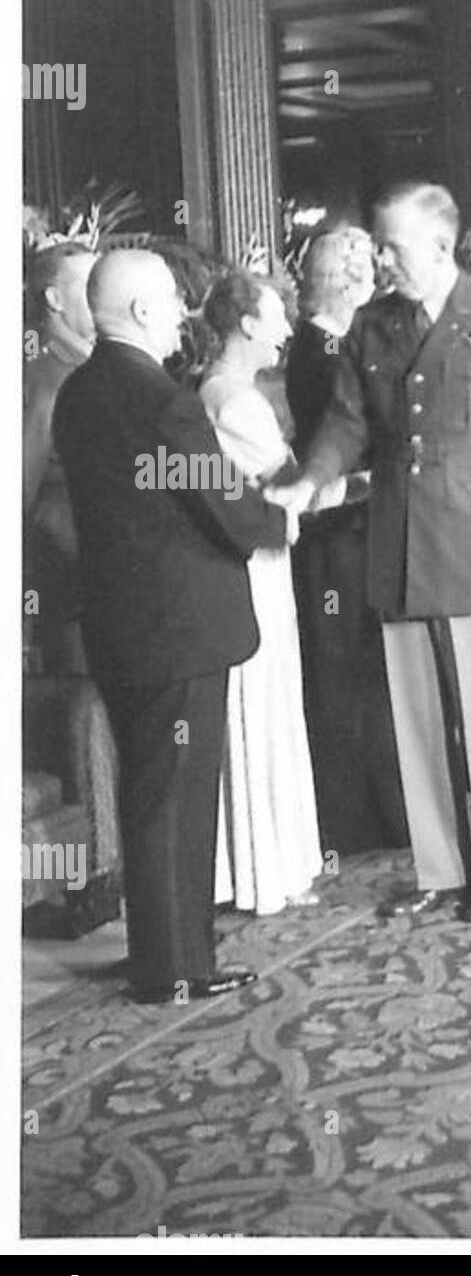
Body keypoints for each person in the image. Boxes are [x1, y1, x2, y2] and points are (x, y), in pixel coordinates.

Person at [274, 182, 471, 924]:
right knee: (417, 720)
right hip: (397, 546)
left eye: (392, 246)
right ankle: (439, 868)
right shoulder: (371, 327)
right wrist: (309, 481)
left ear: (440, 246)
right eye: (374, 245)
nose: (380, 260)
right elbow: (345, 421)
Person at [54, 249, 295, 1003]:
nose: (184, 319)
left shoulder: (78, 393)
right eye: (173, 305)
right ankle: (175, 967)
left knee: (148, 792)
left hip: (122, 626)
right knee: (177, 799)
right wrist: (279, 518)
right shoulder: (161, 399)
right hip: (181, 629)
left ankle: (169, 954)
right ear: (145, 312)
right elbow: (218, 501)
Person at [200, 270, 329, 915]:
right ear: (246, 323)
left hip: (249, 562)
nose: (284, 330)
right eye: (276, 317)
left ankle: (254, 869)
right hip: (257, 565)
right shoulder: (237, 402)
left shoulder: (220, 392)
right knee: (263, 707)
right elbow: (292, 486)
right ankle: (266, 872)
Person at [286, 228, 409, 857]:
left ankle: (382, 810)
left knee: (370, 676)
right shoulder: (319, 348)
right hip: (335, 535)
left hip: (356, 526)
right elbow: (331, 442)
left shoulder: (339, 340)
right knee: (346, 677)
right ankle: (355, 819)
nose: (377, 270)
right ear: (338, 277)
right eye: (362, 260)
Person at [23, 241, 97, 675]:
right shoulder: (46, 376)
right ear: (53, 299)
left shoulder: (82, 365)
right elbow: (23, 486)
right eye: (89, 285)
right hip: (67, 571)